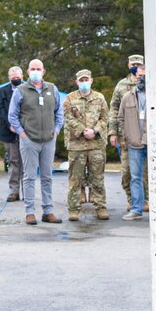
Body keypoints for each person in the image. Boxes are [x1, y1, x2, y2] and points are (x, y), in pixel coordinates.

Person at [9, 58, 64, 225]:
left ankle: (48, 211)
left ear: (43, 71)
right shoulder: (20, 90)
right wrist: (22, 134)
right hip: (29, 140)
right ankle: (30, 212)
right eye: (32, 68)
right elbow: (12, 116)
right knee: (29, 176)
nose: (35, 71)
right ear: (27, 71)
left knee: (47, 176)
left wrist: (56, 131)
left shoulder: (52, 89)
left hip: (49, 140)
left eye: (38, 69)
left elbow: (59, 112)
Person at [118, 67, 156, 220]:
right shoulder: (127, 97)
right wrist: (127, 135)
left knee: (155, 177)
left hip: (154, 144)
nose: (141, 78)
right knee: (135, 177)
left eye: (145, 75)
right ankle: (136, 209)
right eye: (139, 75)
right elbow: (120, 119)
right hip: (135, 144)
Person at [63, 69, 110, 222]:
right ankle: (73, 209)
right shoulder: (70, 98)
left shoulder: (99, 98)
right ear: (77, 82)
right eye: (81, 80)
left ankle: (100, 207)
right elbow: (68, 118)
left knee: (97, 178)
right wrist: (83, 130)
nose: (84, 82)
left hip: (96, 144)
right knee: (75, 179)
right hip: (77, 144)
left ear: (91, 80)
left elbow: (105, 117)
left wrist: (94, 131)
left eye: (86, 80)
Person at [108, 54, 147, 212]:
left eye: (138, 64)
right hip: (126, 136)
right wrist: (113, 132)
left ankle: (146, 200)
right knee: (127, 172)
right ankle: (132, 199)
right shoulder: (121, 85)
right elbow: (114, 109)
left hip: (145, 134)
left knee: (146, 172)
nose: (136, 67)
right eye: (133, 64)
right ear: (128, 65)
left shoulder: (150, 82)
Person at [0, 66, 25, 202]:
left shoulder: (28, 89)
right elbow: (0, 110)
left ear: (22, 77)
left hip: (25, 131)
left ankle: (27, 191)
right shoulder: (2, 91)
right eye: (13, 78)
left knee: (26, 162)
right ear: (9, 78)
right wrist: (10, 125)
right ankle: (14, 191)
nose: (16, 79)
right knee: (13, 161)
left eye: (18, 77)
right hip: (9, 132)